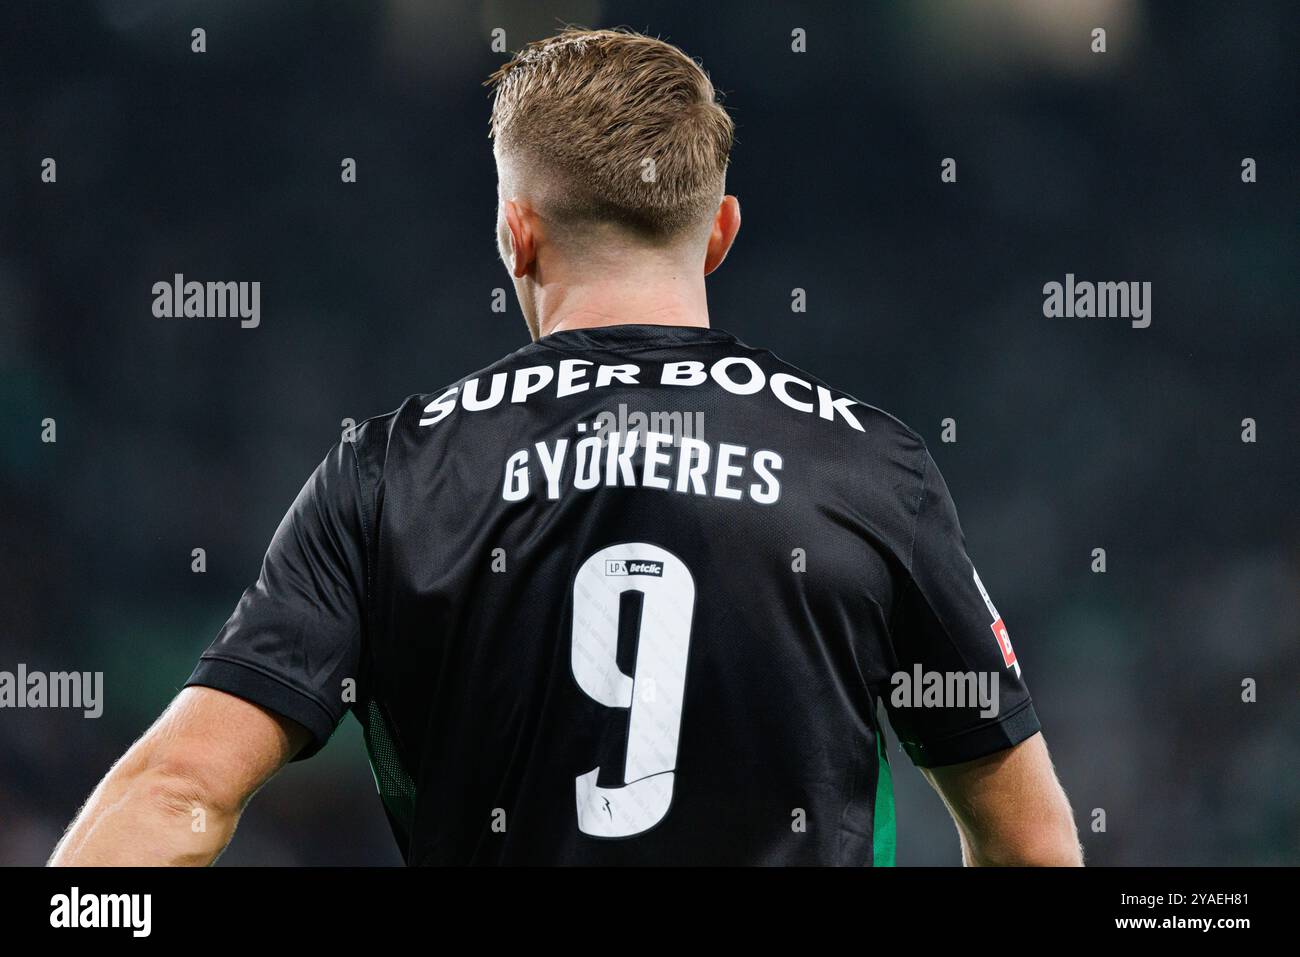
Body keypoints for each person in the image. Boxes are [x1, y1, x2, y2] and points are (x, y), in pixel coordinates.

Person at [50, 28, 1080, 866]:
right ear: (719, 232)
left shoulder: (390, 474)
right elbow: (1027, 839)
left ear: (516, 234)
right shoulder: (869, 467)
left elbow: (179, 791)